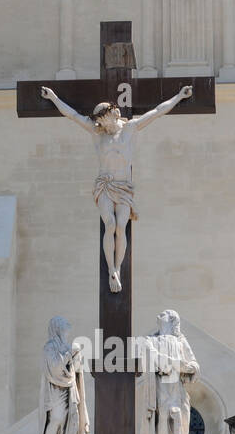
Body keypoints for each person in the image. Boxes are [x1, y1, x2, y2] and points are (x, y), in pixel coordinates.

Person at [40, 83, 192, 292]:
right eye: (99, 122)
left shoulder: (130, 129)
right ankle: (111, 268)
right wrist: (53, 97)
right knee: (109, 224)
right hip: (104, 185)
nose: (101, 126)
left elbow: (157, 112)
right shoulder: (97, 133)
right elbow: (73, 116)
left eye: (103, 121)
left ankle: (118, 268)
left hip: (123, 187)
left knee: (121, 227)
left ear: (114, 114)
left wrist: (178, 96)